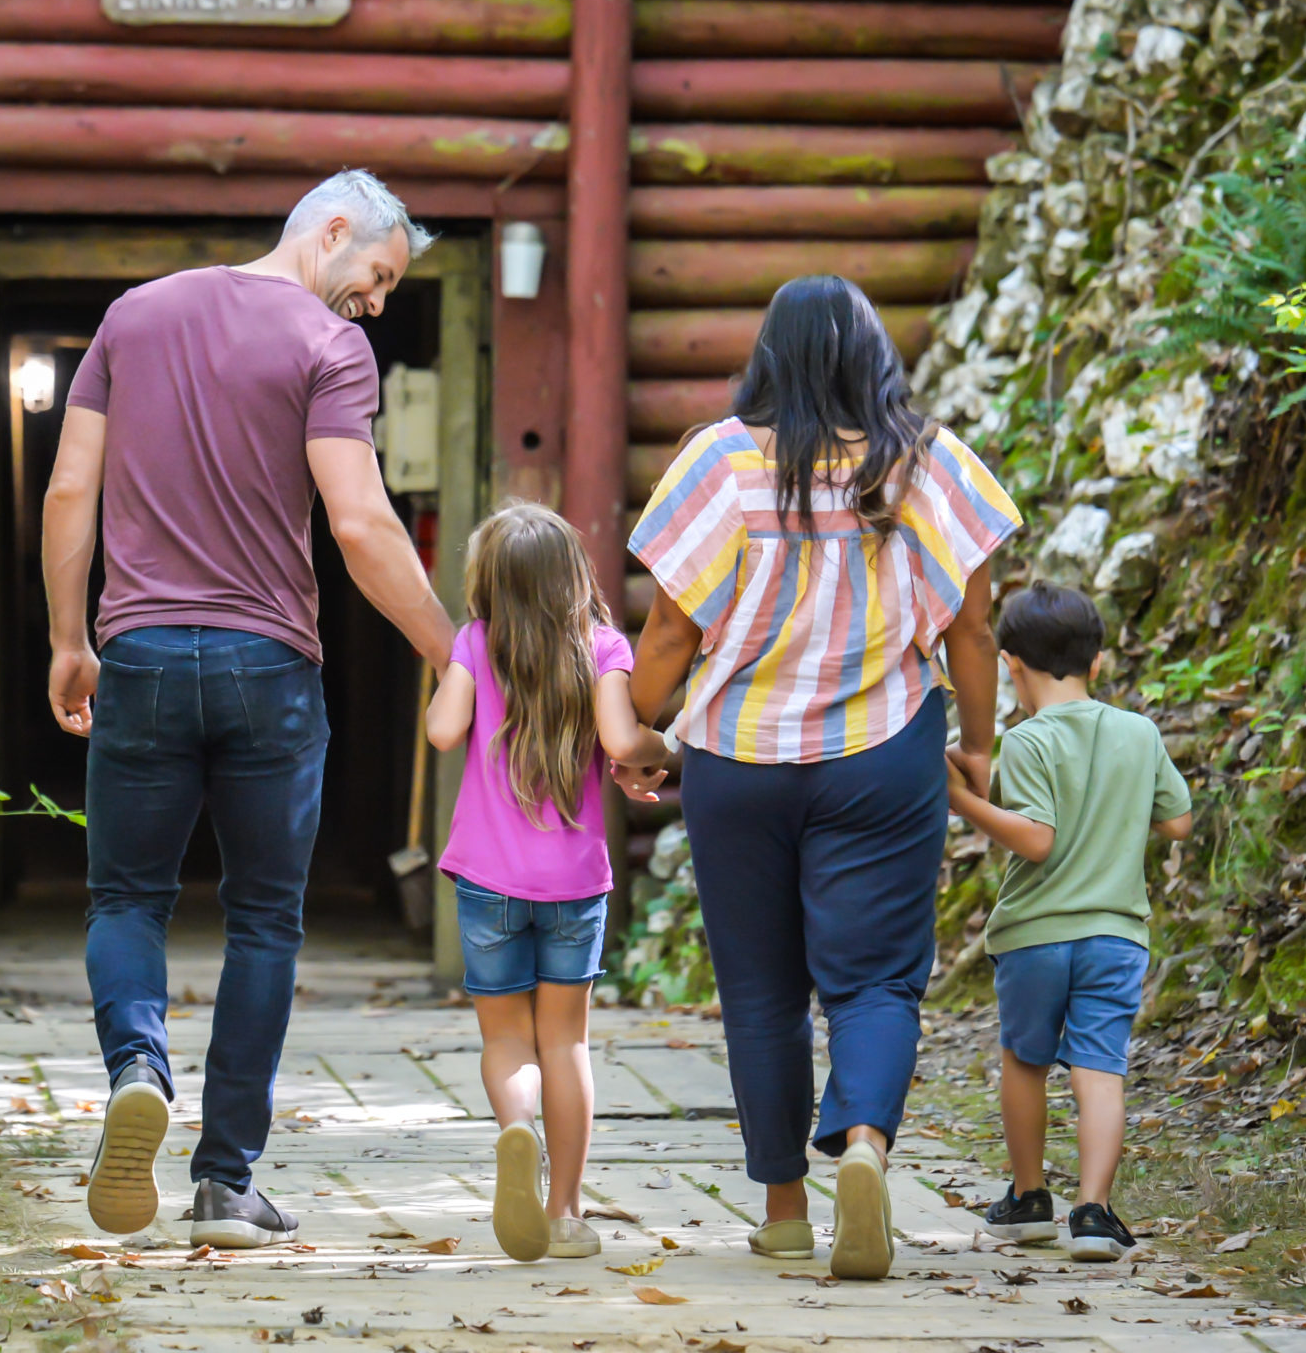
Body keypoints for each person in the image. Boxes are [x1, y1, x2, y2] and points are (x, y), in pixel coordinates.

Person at [43, 168, 457, 1250]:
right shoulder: (329, 347)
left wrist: (69, 640)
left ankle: (138, 1067)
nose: (377, 303)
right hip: (266, 668)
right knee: (264, 919)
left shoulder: (135, 316)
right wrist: (450, 650)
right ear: (331, 229)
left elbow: (70, 489)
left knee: (127, 897)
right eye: (378, 275)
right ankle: (225, 1184)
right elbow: (360, 523)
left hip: (138, 655)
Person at [616, 275, 1019, 1282]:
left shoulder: (719, 460)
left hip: (737, 760)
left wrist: (638, 729)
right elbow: (973, 629)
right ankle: (866, 1147)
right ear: (874, 356)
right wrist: (977, 744)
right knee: (876, 980)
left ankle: (786, 1213)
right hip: (883, 755)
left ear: (770, 355)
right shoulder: (928, 462)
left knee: (761, 991)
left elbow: (668, 632)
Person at [423, 504, 671, 1262]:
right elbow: (621, 739)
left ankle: (516, 1128)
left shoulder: (476, 642)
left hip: (488, 881)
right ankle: (564, 1213)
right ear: (574, 576)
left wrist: (460, 665)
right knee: (566, 1042)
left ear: (490, 580)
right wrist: (662, 747)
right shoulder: (603, 647)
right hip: (574, 884)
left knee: (507, 1039)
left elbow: (442, 730)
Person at [948, 583, 1193, 1262]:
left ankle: (1030, 1200)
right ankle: (1093, 1213)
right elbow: (1177, 822)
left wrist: (962, 802)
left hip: (1035, 934)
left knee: (1025, 1061)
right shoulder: (1139, 733)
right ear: (1099, 661)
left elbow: (1035, 839)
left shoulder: (1028, 740)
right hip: (1115, 934)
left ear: (1010, 665)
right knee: (1100, 1068)